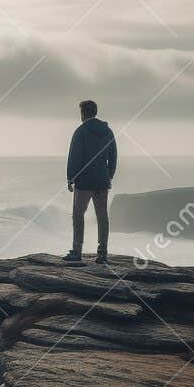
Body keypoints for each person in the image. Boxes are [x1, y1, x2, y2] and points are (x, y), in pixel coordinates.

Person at [63, 100, 118, 264]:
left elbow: (75, 156)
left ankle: (77, 251)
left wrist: (70, 177)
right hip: (102, 181)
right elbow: (113, 156)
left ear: (83, 113)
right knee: (102, 217)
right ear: (95, 112)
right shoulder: (108, 131)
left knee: (78, 215)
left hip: (84, 181)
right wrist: (109, 175)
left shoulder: (80, 132)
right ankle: (102, 253)